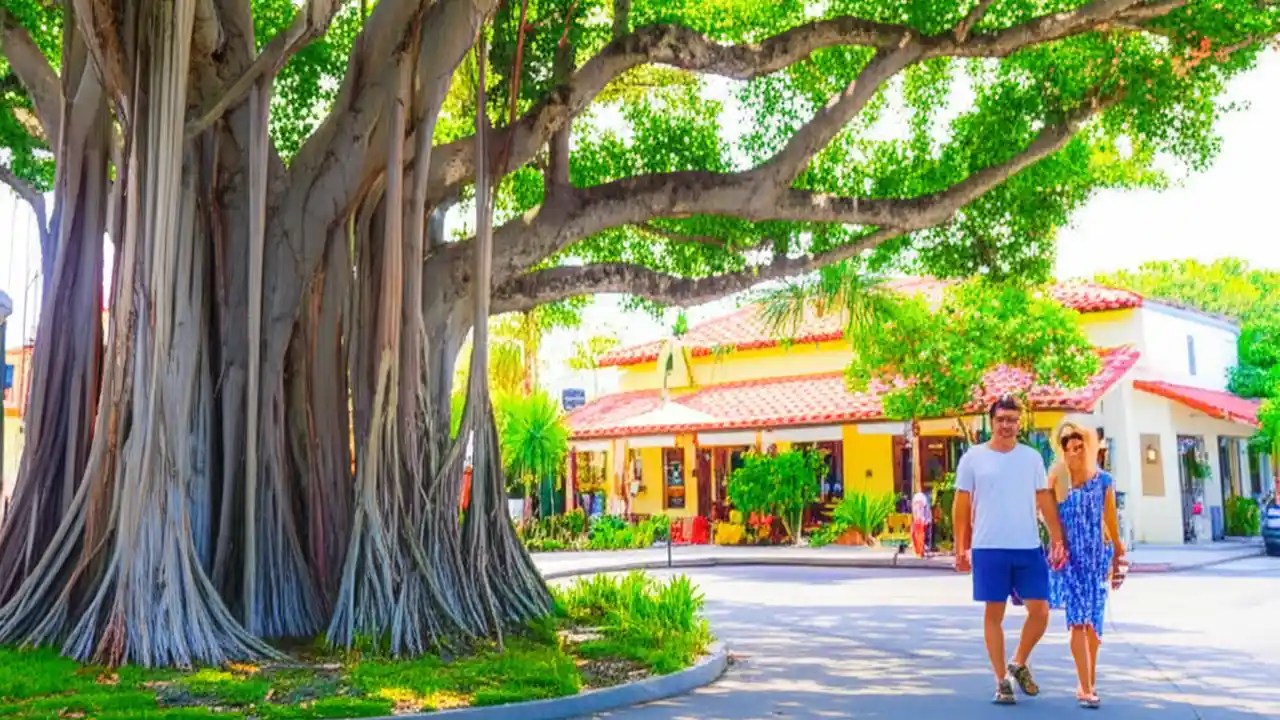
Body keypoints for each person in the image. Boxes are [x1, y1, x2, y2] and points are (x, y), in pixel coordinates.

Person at [953, 395, 1067, 705]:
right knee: (994, 614)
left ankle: (1018, 662)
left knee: (1041, 611)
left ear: (1019, 423)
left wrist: (1057, 538)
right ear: (992, 422)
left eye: (1012, 420)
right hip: (989, 547)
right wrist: (960, 546)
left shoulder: (1030, 458)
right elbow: (962, 503)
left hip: (1027, 545)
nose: (1007, 425)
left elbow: (1043, 498)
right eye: (1001, 419)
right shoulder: (973, 458)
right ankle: (1001, 679)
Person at [1047, 421, 1127, 709]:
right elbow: (1046, 512)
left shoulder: (1104, 481)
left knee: (1094, 626)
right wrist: (1055, 543)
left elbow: (1110, 523)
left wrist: (1118, 555)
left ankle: (1088, 681)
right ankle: (1085, 686)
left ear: (1089, 446)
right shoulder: (1058, 477)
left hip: (1096, 559)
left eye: (1079, 447)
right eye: (1068, 448)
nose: (1074, 453)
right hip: (1071, 560)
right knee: (1078, 622)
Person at [911, 489, 932, 556]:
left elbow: (920, 511)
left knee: (919, 536)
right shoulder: (920, 498)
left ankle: (921, 551)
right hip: (920, 520)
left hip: (921, 521)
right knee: (918, 535)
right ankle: (920, 550)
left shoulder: (919, 499)